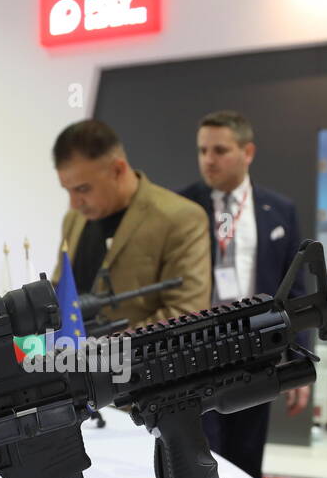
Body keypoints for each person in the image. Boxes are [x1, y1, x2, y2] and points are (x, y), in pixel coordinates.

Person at [177, 110, 312, 478]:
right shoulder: (181, 208)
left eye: (220, 150)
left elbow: (296, 287)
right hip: (196, 351)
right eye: (203, 150)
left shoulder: (279, 210)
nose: (209, 159)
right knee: (203, 458)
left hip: (256, 349)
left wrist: (297, 356)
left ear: (247, 152)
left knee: (248, 457)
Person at [51, 119, 210, 328]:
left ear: (118, 170)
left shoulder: (181, 218)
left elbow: (187, 311)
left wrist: (109, 347)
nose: (73, 203)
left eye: (83, 189)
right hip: (74, 357)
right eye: (68, 190)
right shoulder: (74, 219)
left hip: (139, 358)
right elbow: (60, 291)